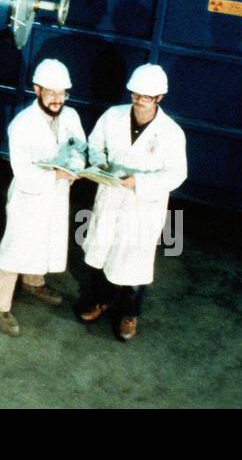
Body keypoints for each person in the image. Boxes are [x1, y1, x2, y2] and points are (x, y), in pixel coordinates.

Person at [76, 63, 187, 342]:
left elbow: (177, 173)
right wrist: (100, 163)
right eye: (135, 95)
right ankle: (101, 301)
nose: (139, 102)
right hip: (111, 196)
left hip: (142, 207)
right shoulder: (112, 116)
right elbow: (94, 143)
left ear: (159, 98)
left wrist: (139, 182)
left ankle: (129, 314)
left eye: (146, 98)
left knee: (133, 264)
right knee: (100, 255)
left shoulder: (171, 132)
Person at [0, 58, 86, 337]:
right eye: (51, 92)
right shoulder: (21, 125)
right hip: (29, 196)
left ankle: (33, 282)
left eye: (62, 93)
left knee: (46, 240)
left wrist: (76, 166)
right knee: (14, 250)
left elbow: (79, 146)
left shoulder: (70, 116)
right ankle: (0, 305)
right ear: (36, 89)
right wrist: (57, 174)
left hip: (56, 195)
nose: (57, 99)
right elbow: (22, 171)